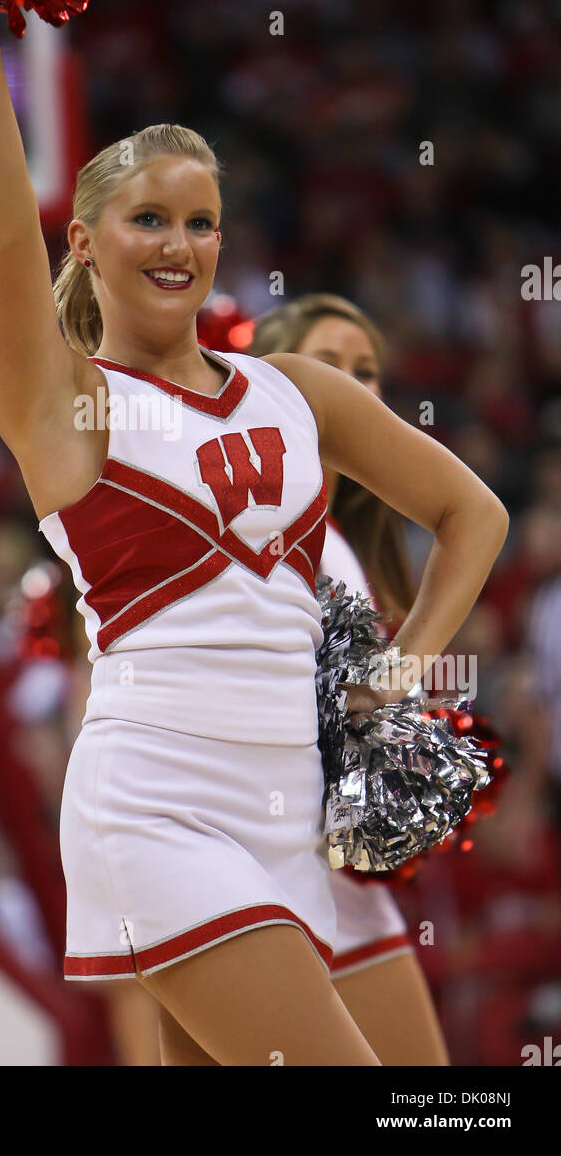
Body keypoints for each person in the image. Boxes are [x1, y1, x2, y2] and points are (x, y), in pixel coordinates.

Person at [0, 0, 508, 1065]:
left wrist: (401, 670)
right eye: (147, 219)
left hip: (288, 814)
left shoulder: (294, 389)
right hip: (155, 802)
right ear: (85, 239)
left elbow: (467, 510)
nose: (179, 244)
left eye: (200, 221)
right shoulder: (68, 405)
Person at [251, 292, 449, 1065]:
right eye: (328, 364)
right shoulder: (265, 518)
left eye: (366, 372)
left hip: (338, 874)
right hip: (272, 864)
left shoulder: (338, 538)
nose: (353, 388)